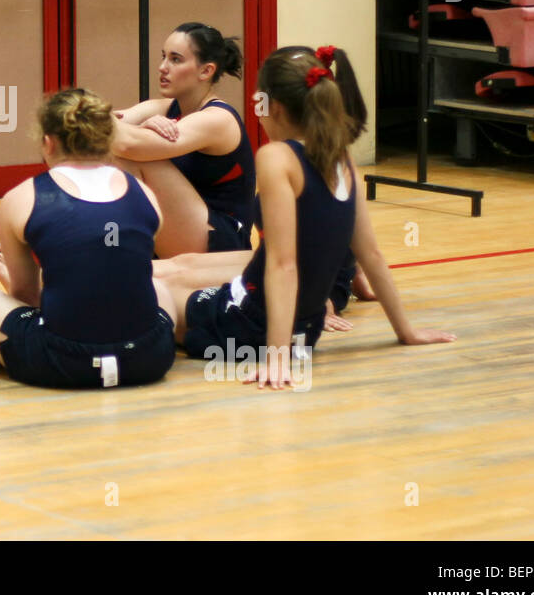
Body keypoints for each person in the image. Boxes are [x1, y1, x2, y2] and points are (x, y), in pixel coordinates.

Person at [157, 47, 456, 389]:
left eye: (260, 101)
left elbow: (283, 264)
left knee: (153, 287)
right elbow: (370, 255)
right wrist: (407, 331)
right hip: (305, 331)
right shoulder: (342, 160)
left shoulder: (277, 158)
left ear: (275, 107)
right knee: (177, 266)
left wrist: (276, 358)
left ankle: (113, 353)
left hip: (245, 324)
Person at [0, 89, 178, 389]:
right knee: (157, 285)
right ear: (107, 140)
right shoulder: (143, 192)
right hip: (148, 358)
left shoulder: (23, 197)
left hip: (62, 364)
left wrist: (16, 286)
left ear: (47, 142)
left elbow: (26, 297)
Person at [112, 22, 256, 257]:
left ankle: (121, 251)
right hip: (185, 229)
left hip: (221, 239)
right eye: (163, 57)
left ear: (206, 71)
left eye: (175, 59)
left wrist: (135, 134)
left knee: (135, 157)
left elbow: (128, 145)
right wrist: (134, 127)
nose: (162, 68)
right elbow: (93, 125)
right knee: (99, 148)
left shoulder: (218, 119)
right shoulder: (164, 107)